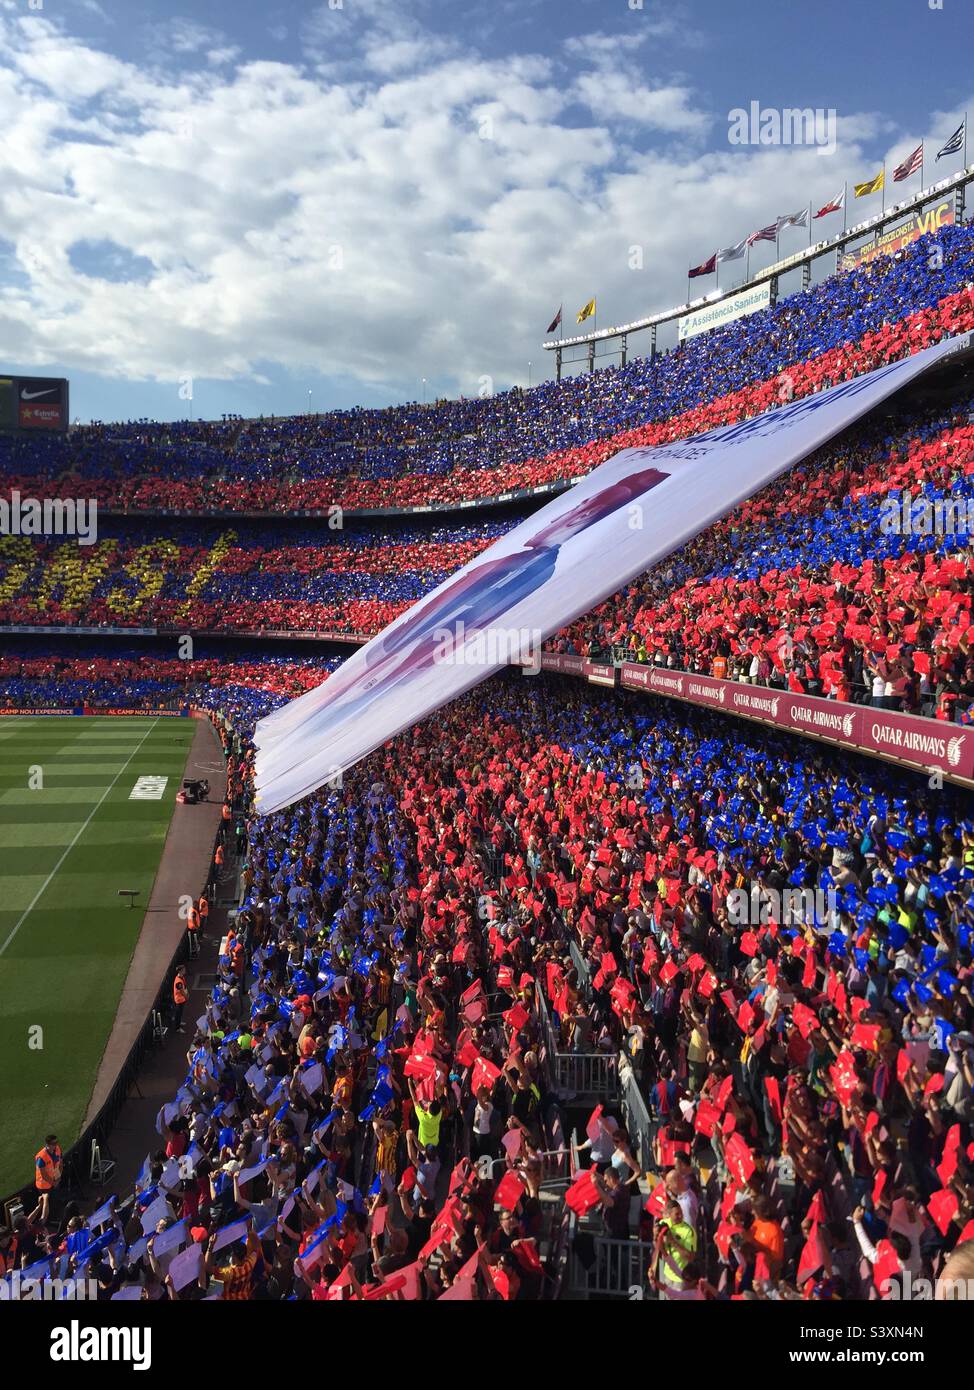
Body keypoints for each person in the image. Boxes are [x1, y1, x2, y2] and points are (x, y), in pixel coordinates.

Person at [28, 1134, 62, 1226]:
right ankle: (47, 1222)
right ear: (48, 1144)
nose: (56, 1144)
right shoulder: (41, 1157)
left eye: (56, 1142)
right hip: (44, 1186)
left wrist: (59, 1176)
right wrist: (53, 1183)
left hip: (54, 1181)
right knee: (46, 1203)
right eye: (53, 1143)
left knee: (54, 1200)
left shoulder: (57, 1149)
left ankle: (53, 1218)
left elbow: (60, 1161)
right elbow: (43, 1174)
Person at [173, 967, 189, 1032]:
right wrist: (186, 997)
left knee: (180, 1012)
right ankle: (177, 1028)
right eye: (183, 970)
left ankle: (179, 1022)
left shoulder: (181, 977)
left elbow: (184, 987)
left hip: (182, 999)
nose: (185, 971)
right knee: (178, 1014)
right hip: (179, 1000)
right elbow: (181, 991)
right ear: (180, 971)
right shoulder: (178, 981)